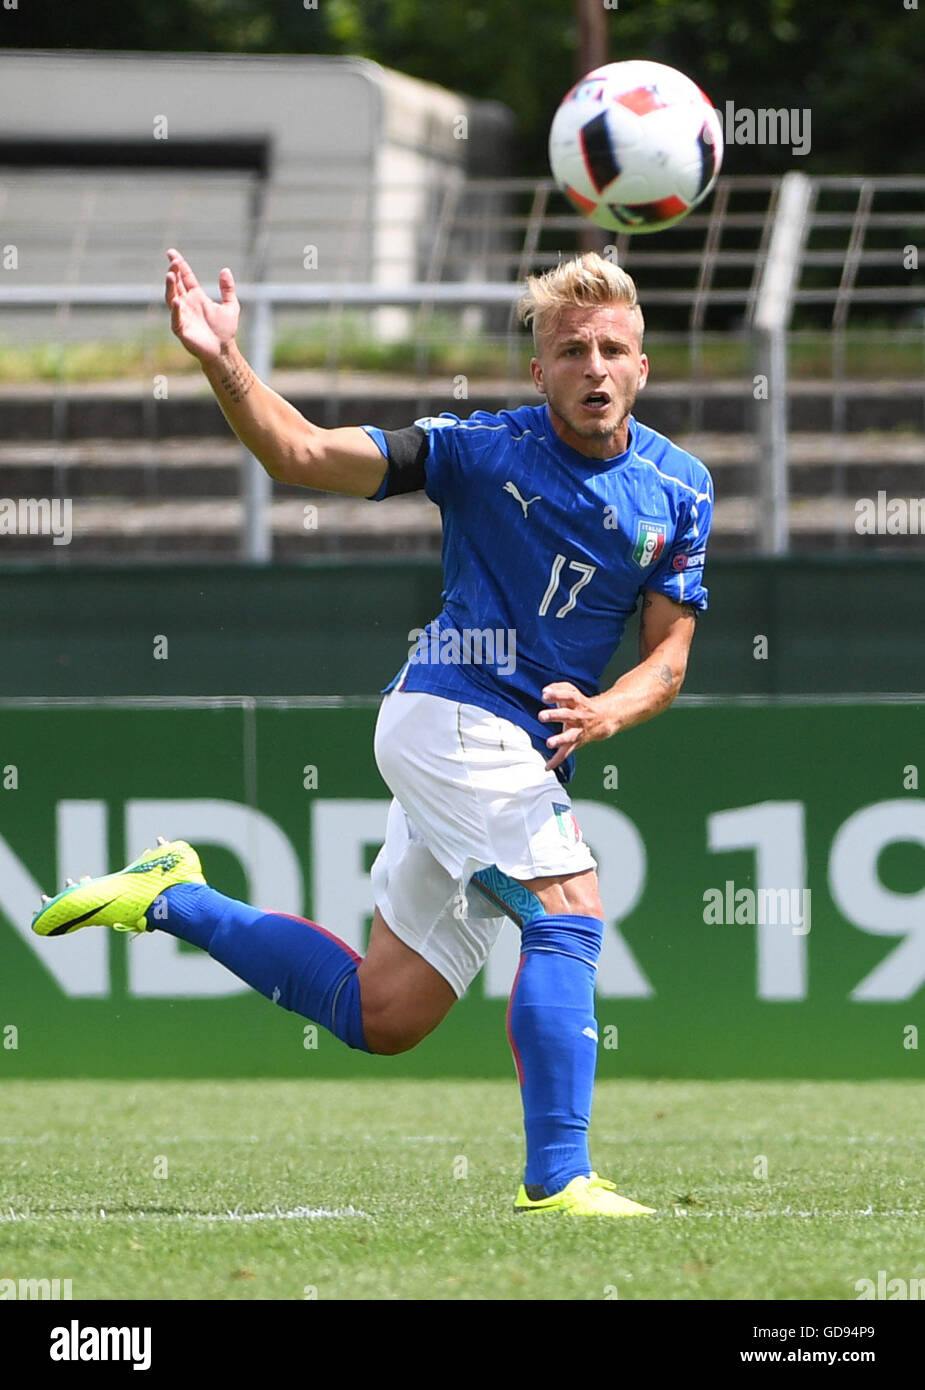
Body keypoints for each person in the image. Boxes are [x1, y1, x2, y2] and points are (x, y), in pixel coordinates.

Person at [33, 249, 713, 1218]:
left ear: (642, 367)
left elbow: (670, 659)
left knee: (381, 1013)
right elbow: (301, 454)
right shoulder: (481, 451)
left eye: (612, 349)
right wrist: (224, 361)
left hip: (516, 746)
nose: (593, 367)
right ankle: (559, 1179)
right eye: (570, 350)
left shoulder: (679, 486)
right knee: (565, 912)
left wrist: (612, 707)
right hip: (451, 715)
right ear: (537, 373)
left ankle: (174, 899)